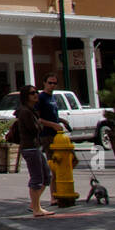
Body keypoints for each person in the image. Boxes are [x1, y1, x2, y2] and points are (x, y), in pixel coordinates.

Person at [15, 84, 66, 219]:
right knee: (37, 178)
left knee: (46, 176)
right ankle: (36, 208)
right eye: (32, 93)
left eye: (36, 92)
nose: (36, 94)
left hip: (35, 147)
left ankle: (35, 204)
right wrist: (40, 124)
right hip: (29, 148)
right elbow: (34, 129)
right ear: (26, 97)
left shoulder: (31, 110)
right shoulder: (25, 112)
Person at [37, 72, 72, 207]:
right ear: (44, 83)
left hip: (58, 135)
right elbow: (38, 119)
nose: (52, 85)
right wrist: (53, 125)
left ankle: (63, 188)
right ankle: (53, 196)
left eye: (54, 83)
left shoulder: (52, 98)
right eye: (49, 83)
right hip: (47, 135)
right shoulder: (41, 98)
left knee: (69, 161)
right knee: (54, 165)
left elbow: (52, 116)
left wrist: (62, 121)